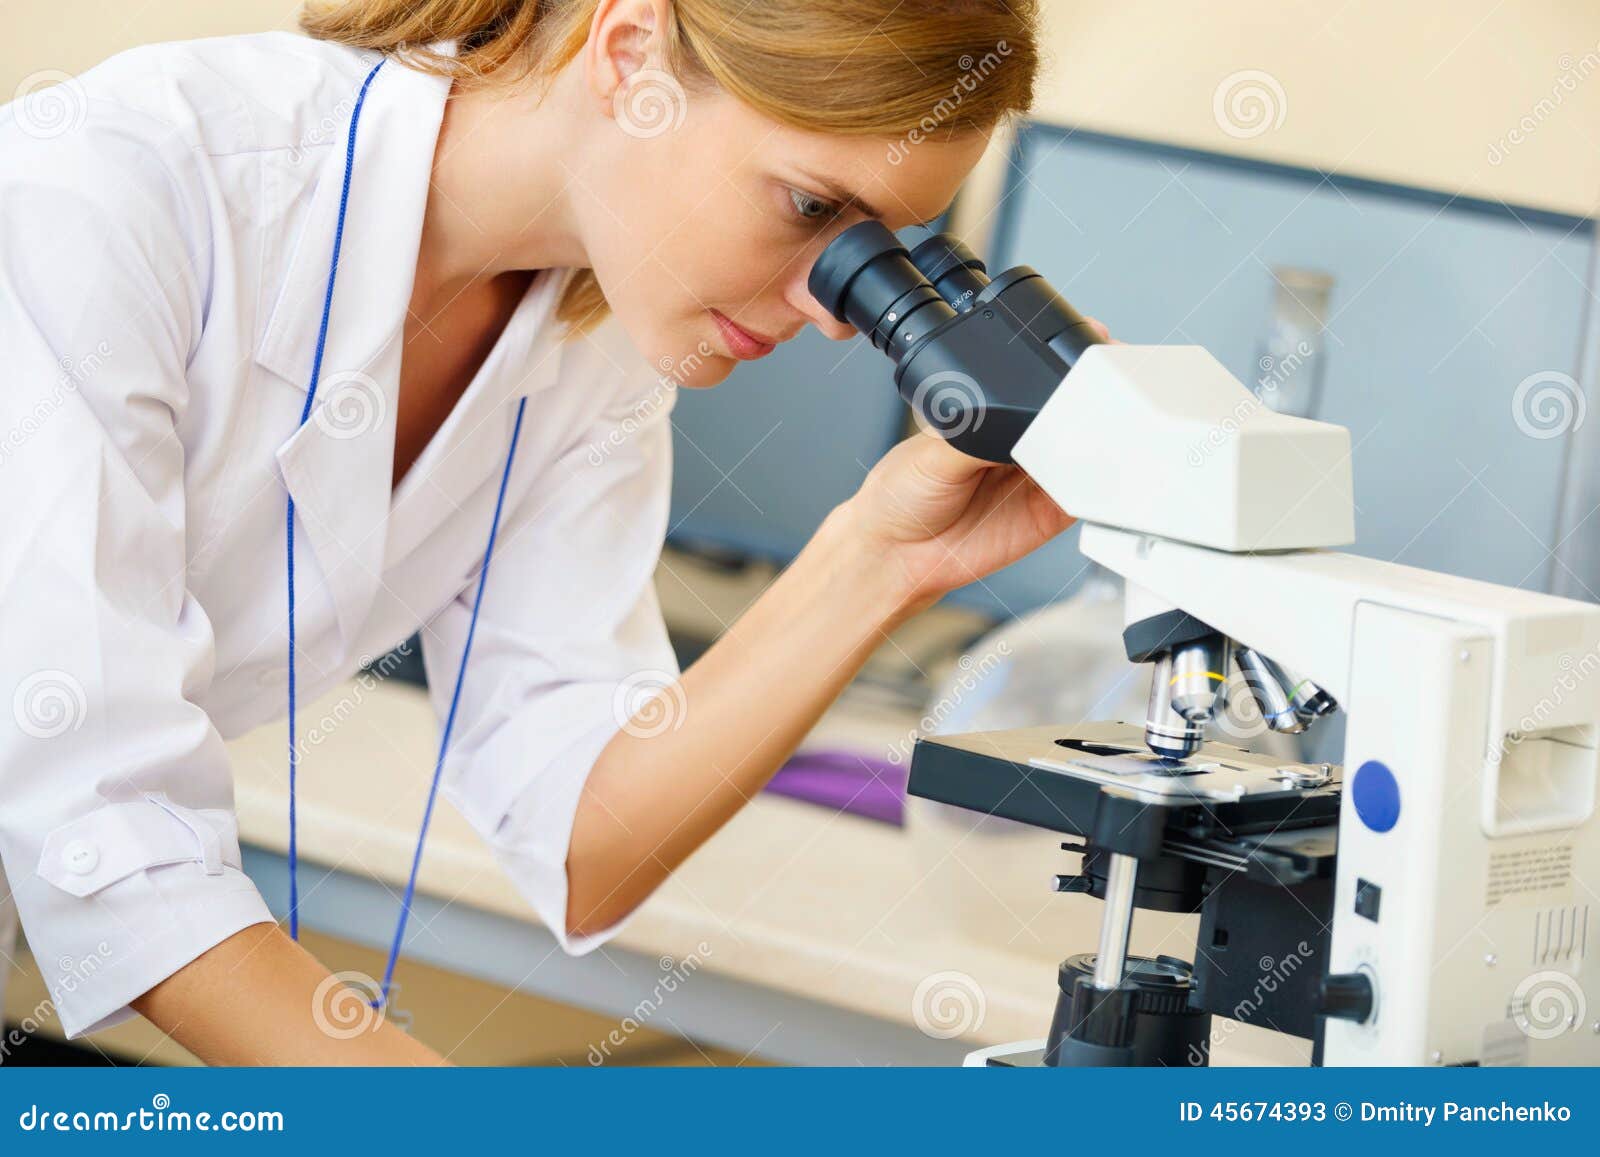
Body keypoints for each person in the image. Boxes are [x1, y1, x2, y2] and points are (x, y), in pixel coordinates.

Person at [0, 0, 1082, 1064]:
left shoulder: (592, 341)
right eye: (808, 207)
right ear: (629, 55)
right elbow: (103, 823)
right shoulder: (119, 186)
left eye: (882, 252)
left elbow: (583, 838)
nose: (838, 310)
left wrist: (883, 557)